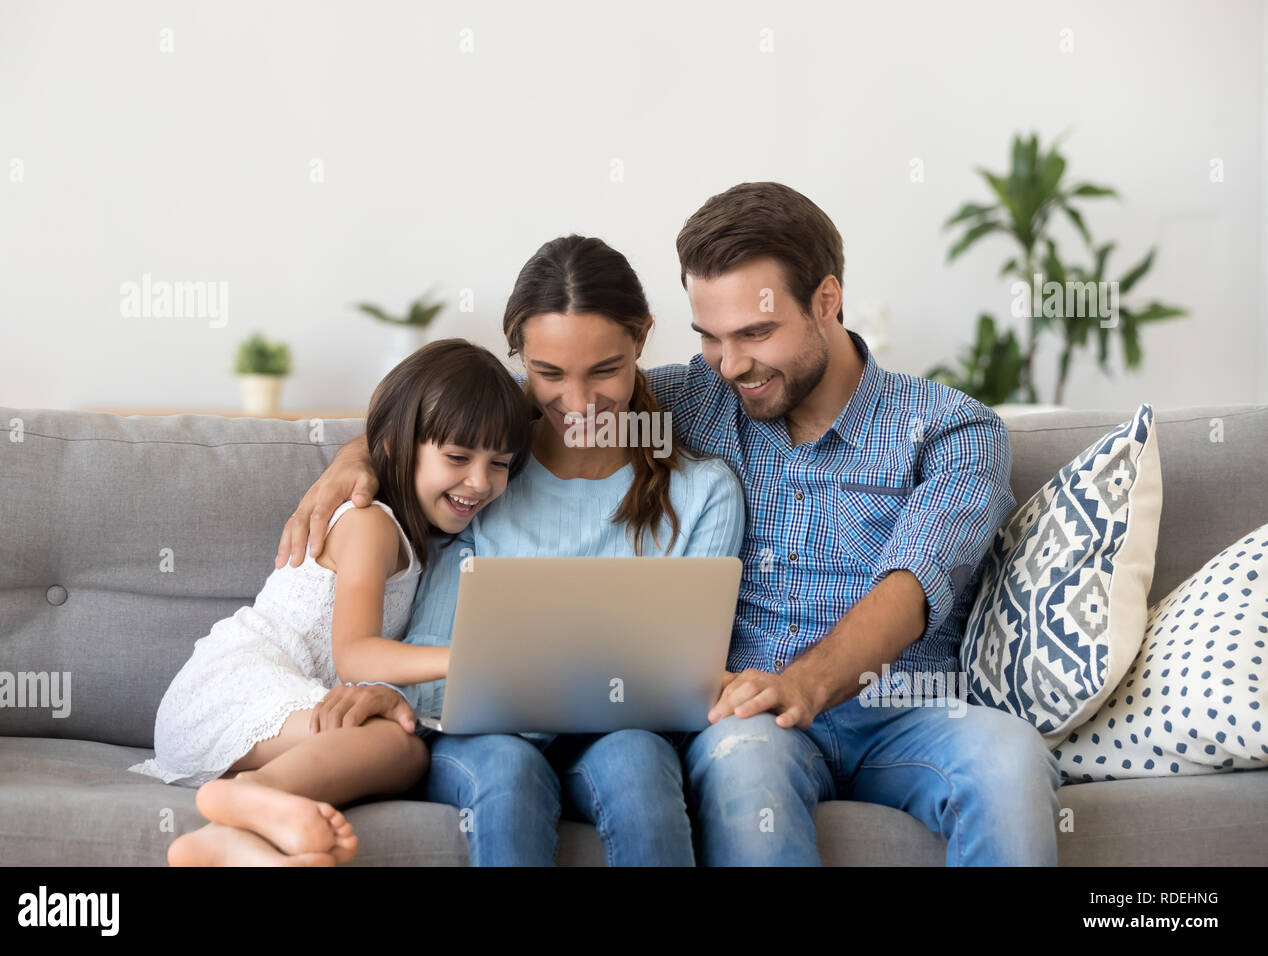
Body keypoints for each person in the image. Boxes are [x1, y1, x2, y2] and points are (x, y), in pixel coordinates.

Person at [280, 182, 1062, 866]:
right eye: (709, 338)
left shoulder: (951, 430)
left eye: (755, 334)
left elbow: (914, 585)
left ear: (827, 301)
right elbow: (528, 401)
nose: (731, 364)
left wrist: (800, 686)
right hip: (748, 719)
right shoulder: (697, 397)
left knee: (1008, 759)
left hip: (901, 710)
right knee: (748, 767)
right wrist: (365, 455)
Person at [129, 339, 533, 866]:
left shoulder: (417, 534)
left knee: (398, 743)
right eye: (458, 457)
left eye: (499, 464)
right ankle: (257, 790)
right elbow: (356, 656)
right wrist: (473, 659)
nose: (480, 482)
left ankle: (227, 840)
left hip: (271, 709)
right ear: (393, 447)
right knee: (399, 743)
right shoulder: (370, 525)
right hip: (230, 689)